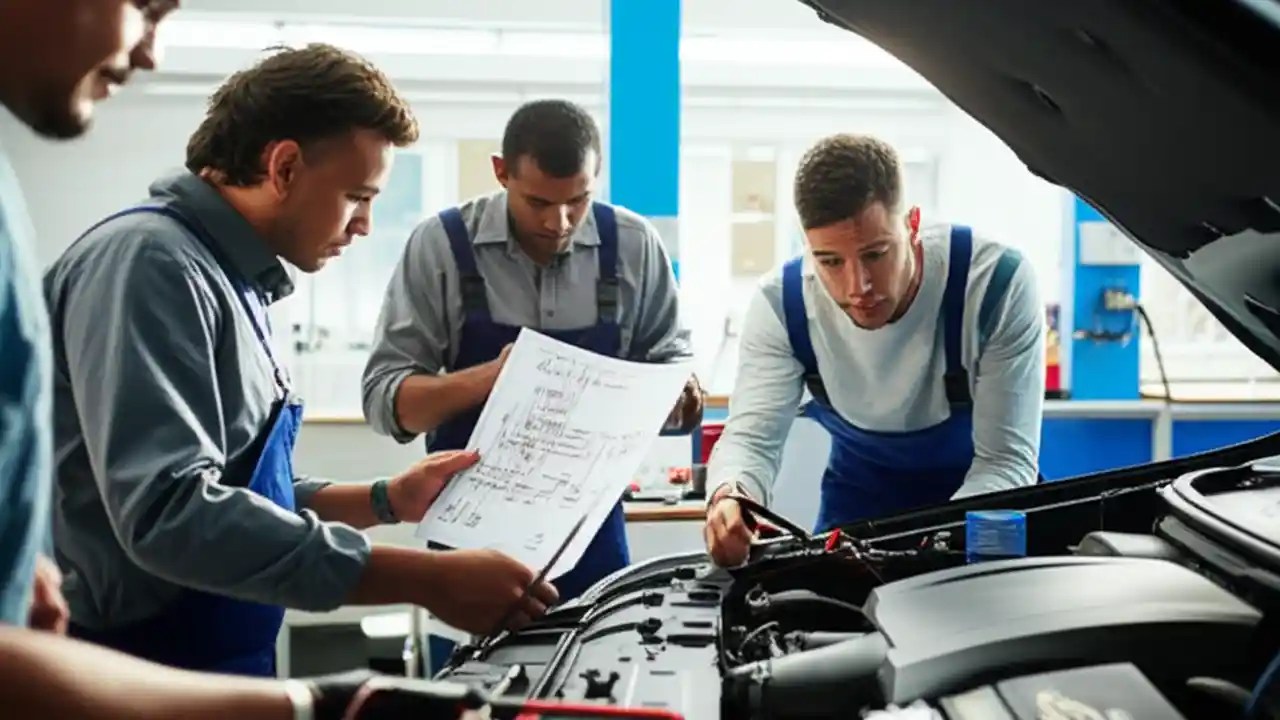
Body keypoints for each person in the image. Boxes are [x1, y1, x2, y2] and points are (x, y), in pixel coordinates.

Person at [42, 42, 556, 678]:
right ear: (284, 166)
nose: (365, 224)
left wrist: (387, 498)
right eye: (357, 196)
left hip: (215, 657)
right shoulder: (150, 265)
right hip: (136, 666)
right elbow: (170, 514)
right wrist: (427, 578)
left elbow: (242, 487)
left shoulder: (228, 278)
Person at [362, 98, 704, 603]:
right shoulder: (441, 247)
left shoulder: (634, 247)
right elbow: (385, 404)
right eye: (539, 203)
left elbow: (675, 380)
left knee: (596, 673)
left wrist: (679, 399)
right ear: (501, 172)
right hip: (468, 534)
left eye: (578, 201)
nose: (560, 223)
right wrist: (493, 378)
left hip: (591, 532)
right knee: (479, 680)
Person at [704, 133, 1045, 567]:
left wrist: (930, 553)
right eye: (829, 261)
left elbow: (1006, 460)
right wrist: (731, 496)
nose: (857, 287)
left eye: (876, 254)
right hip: (860, 500)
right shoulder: (782, 305)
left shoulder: (996, 284)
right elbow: (751, 439)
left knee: (1007, 618)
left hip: (993, 496)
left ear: (913, 224)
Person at [0, 0, 177, 634]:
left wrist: (22, 561)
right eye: (145, 8)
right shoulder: (147, 260)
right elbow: (164, 507)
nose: (149, 53)